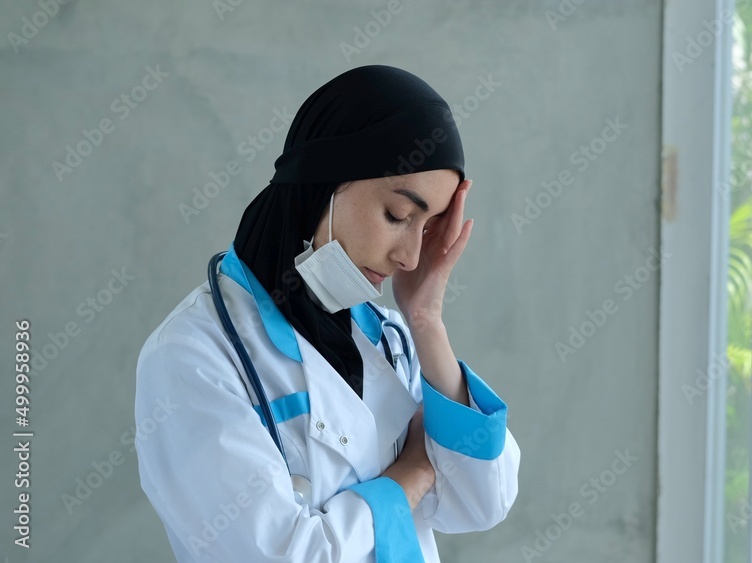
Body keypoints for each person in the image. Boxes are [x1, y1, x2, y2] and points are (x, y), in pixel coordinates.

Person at [134, 65, 520, 562]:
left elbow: (483, 501)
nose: (410, 257)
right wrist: (412, 475)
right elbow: (286, 555)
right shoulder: (191, 357)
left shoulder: (388, 338)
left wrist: (426, 320)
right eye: (398, 216)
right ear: (324, 181)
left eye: (425, 229)